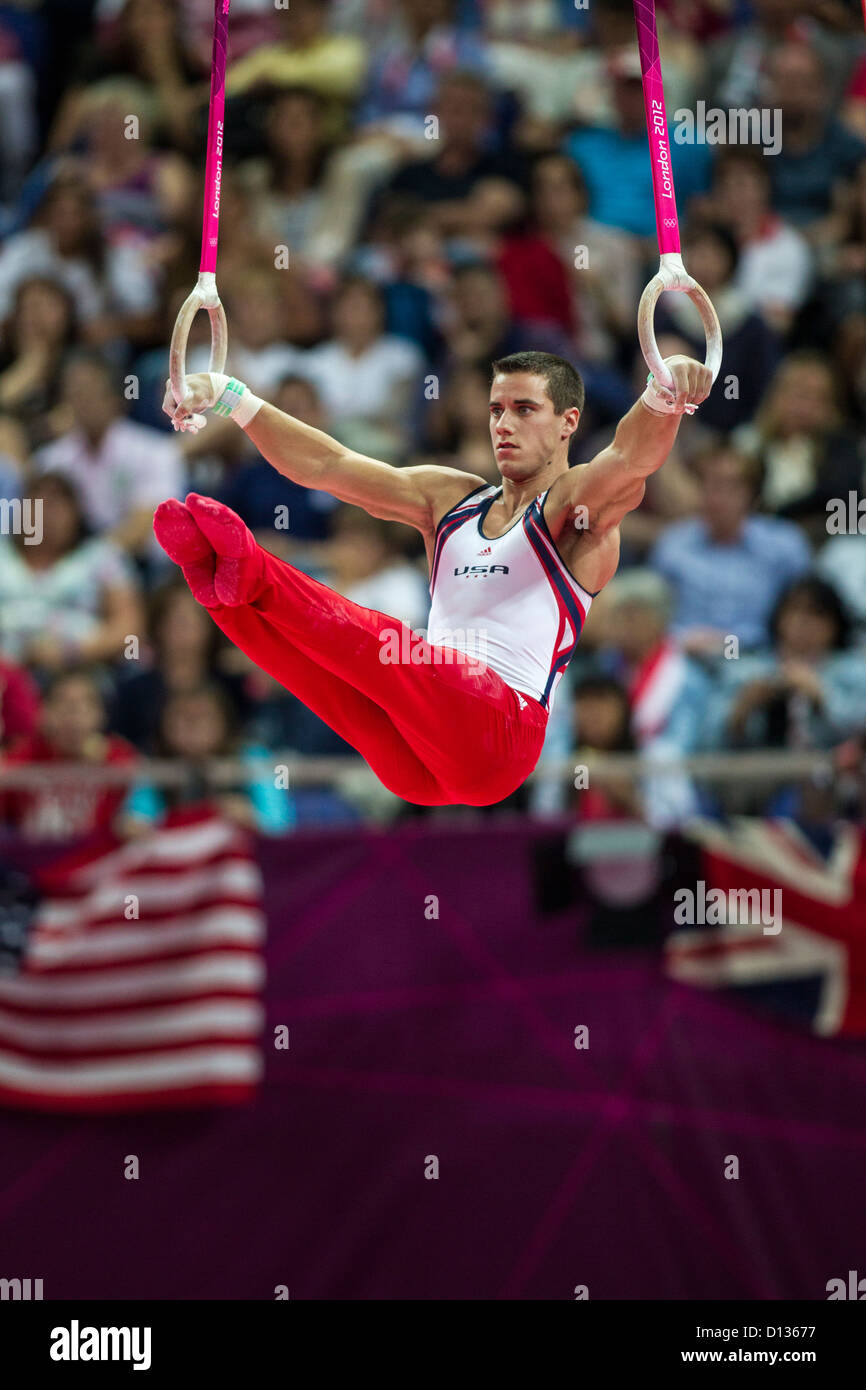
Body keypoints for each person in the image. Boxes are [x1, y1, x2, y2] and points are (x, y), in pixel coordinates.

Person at [152, 345, 712, 808]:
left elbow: (631, 460)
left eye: (524, 409)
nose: (503, 425)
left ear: (568, 422)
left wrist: (663, 395)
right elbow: (326, 465)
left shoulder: (573, 508)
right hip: (420, 756)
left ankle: (251, 571)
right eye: (496, 410)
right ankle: (219, 585)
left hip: (500, 736)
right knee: (317, 674)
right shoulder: (450, 498)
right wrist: (236, 399)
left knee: (390, 647)